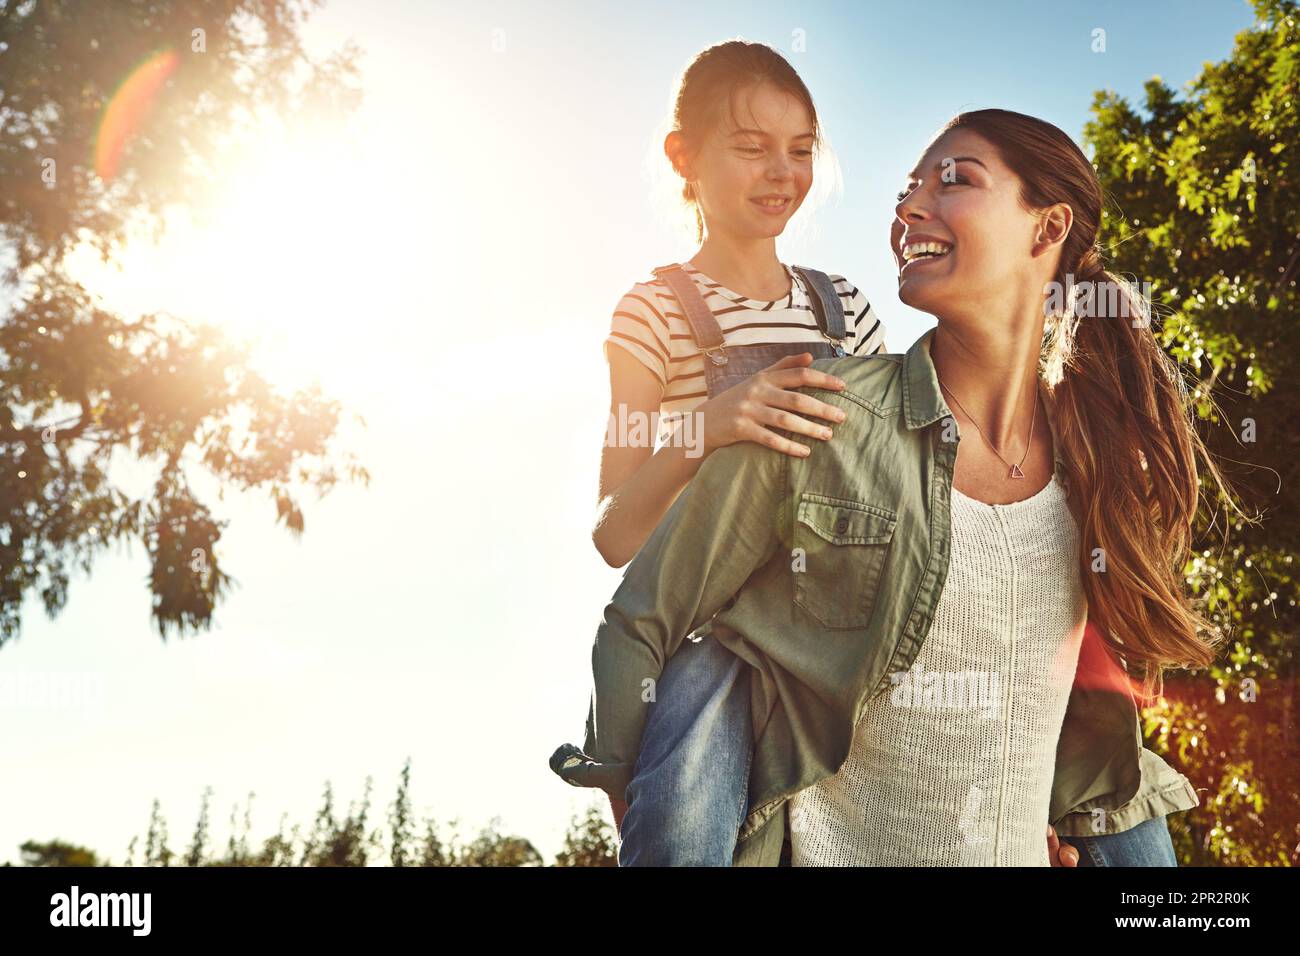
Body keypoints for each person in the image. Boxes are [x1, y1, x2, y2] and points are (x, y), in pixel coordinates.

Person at [553, 108, 1238, 866]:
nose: (909, 207)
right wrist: (636, 794)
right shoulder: (816, 412)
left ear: (1047, 231)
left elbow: (1043, 712)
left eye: (955, 181)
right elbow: (641, 617)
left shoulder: (1096, 463)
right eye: (908, 188)